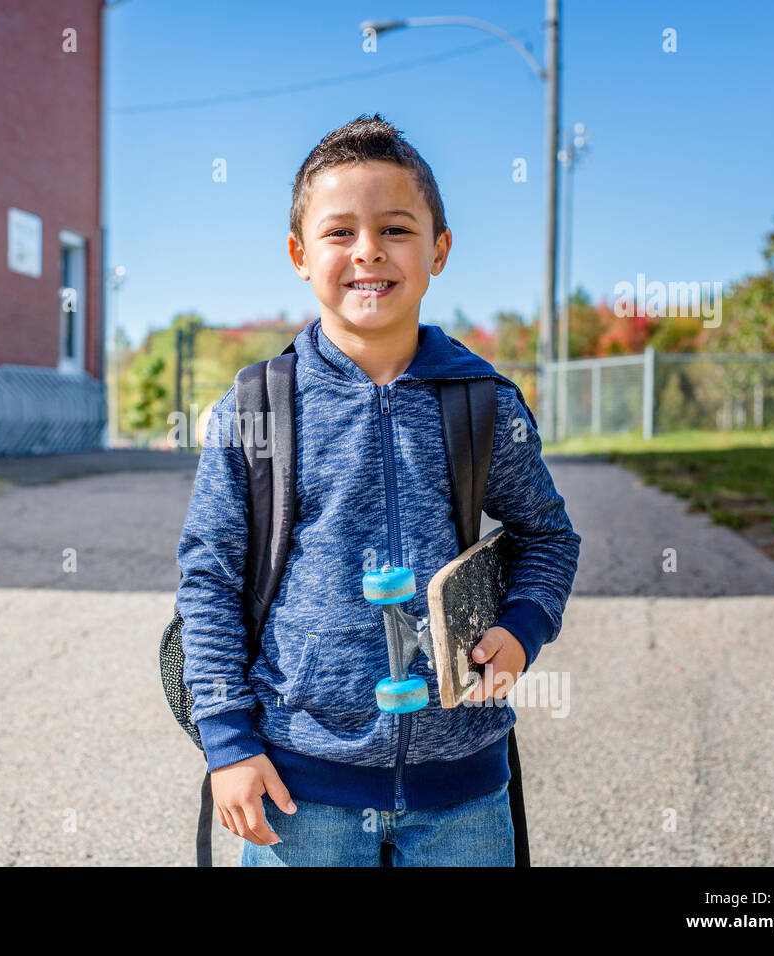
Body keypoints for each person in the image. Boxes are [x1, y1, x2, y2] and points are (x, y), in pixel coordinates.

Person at [175, 113, 581, 866]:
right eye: (339, 233)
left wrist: (523, 629)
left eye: (396, 228)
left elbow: (548, 537)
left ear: (439, 250)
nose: (368, 251)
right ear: (300, 255)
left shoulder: (482, 402)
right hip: (299, 791)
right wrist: (227, 743)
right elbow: (208, 582)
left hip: (462, 792)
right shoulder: (256, 409)